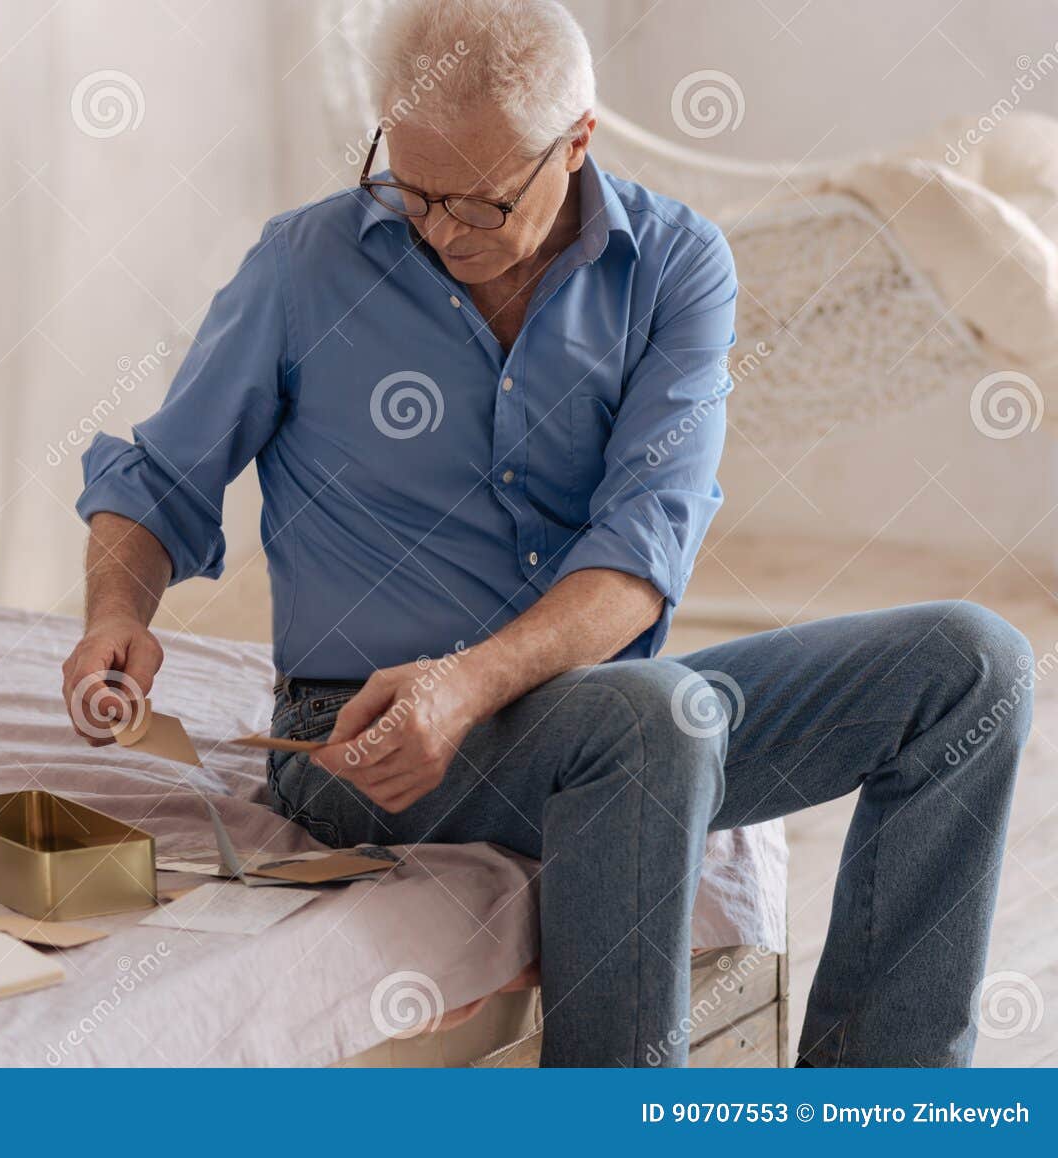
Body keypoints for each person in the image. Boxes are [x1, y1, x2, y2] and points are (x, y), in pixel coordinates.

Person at [61, 0, 1032, 1066]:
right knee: (652, 715)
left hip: (609, 724)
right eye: (411, 186)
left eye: (476, 201)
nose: (437, 229)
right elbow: (157, 477)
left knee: (970, 664)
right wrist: (117, 610)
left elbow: (640, 552)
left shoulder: (675, 267)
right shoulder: (303, 269)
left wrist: (468, 684)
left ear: (577, 142)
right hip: (356, 739)